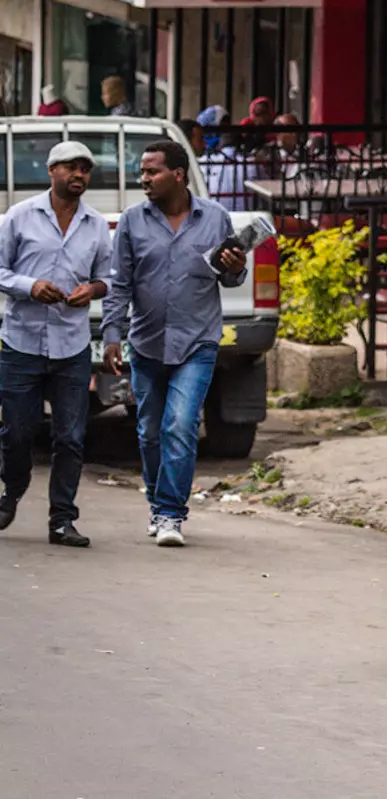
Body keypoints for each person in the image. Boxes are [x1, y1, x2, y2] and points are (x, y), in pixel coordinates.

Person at [100, 141, 247, 547]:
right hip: (146, 342)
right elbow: (120, 284)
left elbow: (230, 276)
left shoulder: (215, 218)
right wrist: (112, 333)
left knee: (179, 426)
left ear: (178, 175)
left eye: (152, 171)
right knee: (149, 431)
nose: (143, 179)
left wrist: (236, 268)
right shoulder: (132, 221)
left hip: (198, 341)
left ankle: (170, 514)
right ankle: (157, 501)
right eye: (143, 172)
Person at [0, 142, 112, 548]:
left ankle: (62, 519)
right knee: (16, 433)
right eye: (71, 167)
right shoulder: (20, 216)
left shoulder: (96, 224)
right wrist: (31, 287)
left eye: (85, 168)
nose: (79, 174)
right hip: (21, 343)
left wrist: (92, 289)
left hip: (71, 346)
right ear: (52, 171)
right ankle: (11, 492)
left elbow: (109, 277)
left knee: (70, 437)